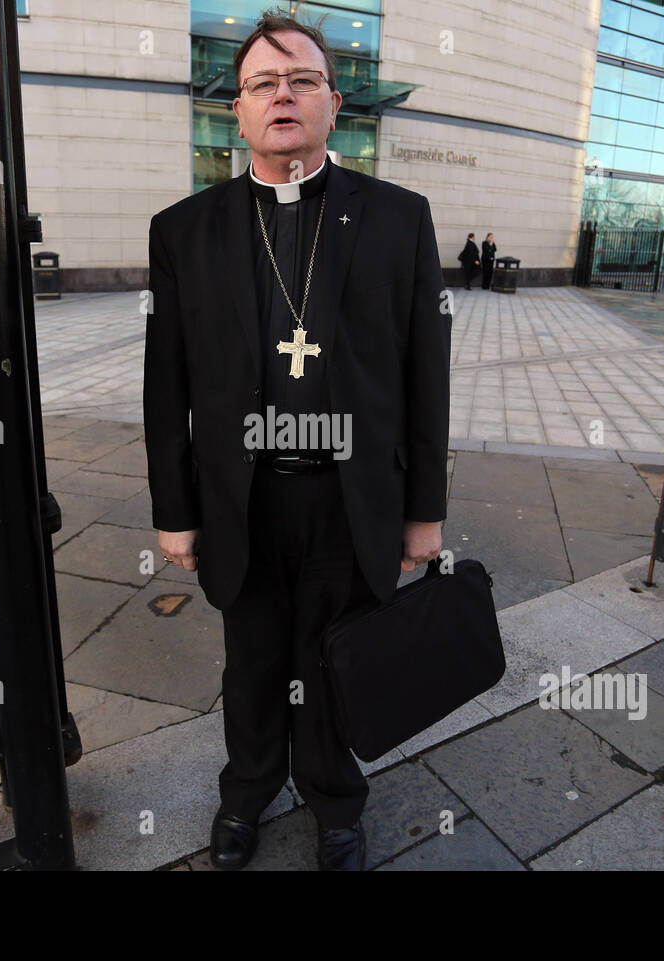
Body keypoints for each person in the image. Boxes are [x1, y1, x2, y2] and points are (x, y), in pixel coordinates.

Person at [142, 7, 449, 871]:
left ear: (333, 101)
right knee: (251, 664)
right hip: (244, 494)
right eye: (262, 83)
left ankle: (335, 802)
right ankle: (246, 794)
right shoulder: (185, 229)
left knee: (337, 657)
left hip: (352, 494)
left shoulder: (399, 217)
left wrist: (424, 514)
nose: (283, 95)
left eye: (302, 79)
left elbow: (427, 374)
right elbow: (164, 385)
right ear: (237, 110)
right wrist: (175, 509)